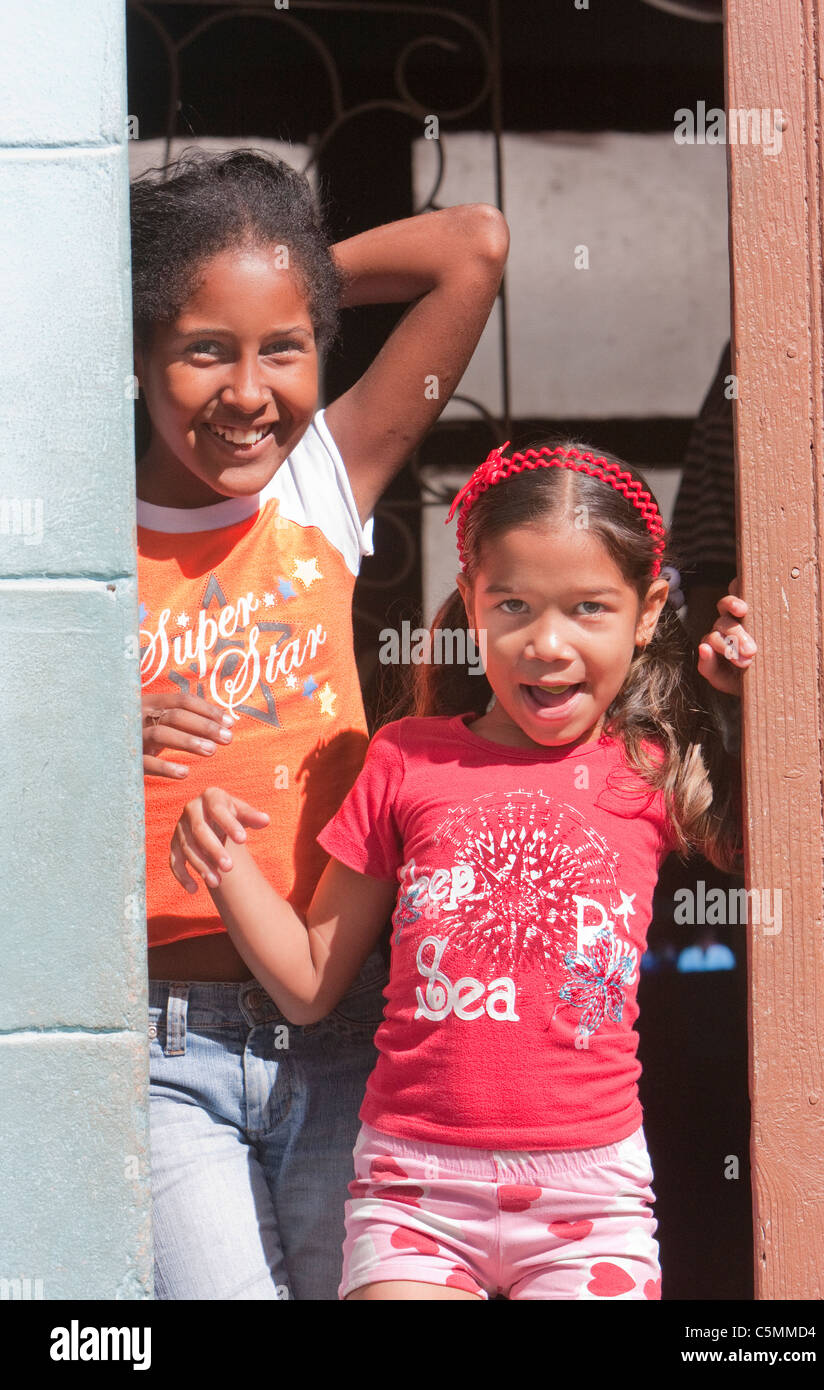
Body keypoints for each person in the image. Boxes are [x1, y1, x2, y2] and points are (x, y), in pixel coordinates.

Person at [169, 439, 756, 1300]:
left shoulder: (654, 767)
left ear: (648, 609)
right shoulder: (404, 762)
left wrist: (753, 703)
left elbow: (792, 857)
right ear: (472, 606)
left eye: (589, 608)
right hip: (413, 1196)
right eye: (513, 605)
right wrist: (225, 865)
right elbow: (306, 984)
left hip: (592, 1199)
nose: (546, 644)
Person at [132, 148, 508, 1300]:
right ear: (139, 343)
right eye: (205, 346)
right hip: (156, 1048)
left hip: (345, 1023)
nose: (249, 391)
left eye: (283, 345)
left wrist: (277, 277)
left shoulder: (323, 478)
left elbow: (473, 247)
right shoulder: (70, 536)